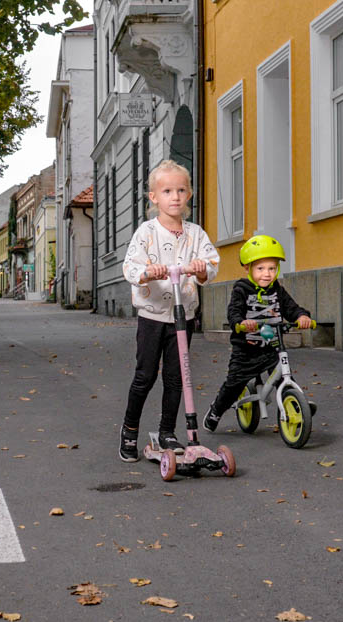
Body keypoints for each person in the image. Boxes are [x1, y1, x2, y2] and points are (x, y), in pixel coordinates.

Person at [119, 160, 219, 462]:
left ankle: (167, 431)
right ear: (154, 197)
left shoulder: (195, 234)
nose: (175, 197)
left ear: (189, 194)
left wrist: (201, 269)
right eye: (167, 191)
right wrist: (147, 272)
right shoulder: (147, 232)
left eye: (181, 190)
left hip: (183, 317)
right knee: (145, 376)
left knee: (177, 377)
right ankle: (130, 430)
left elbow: (211, 263)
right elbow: (130, 266)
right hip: (152, 316)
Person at [202, 234, 312, 432]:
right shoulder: (242, 289)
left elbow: (291, 308)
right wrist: (241, 322)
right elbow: (234, 311)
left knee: (283, 377)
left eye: (272, 268)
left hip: (272, 347)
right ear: (248, 268)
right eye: (260, 268)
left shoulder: (277, 290)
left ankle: (296, 406)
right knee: (234, 385)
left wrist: (302, 316)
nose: (267, 274)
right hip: (246, 350)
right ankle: (216, 410)